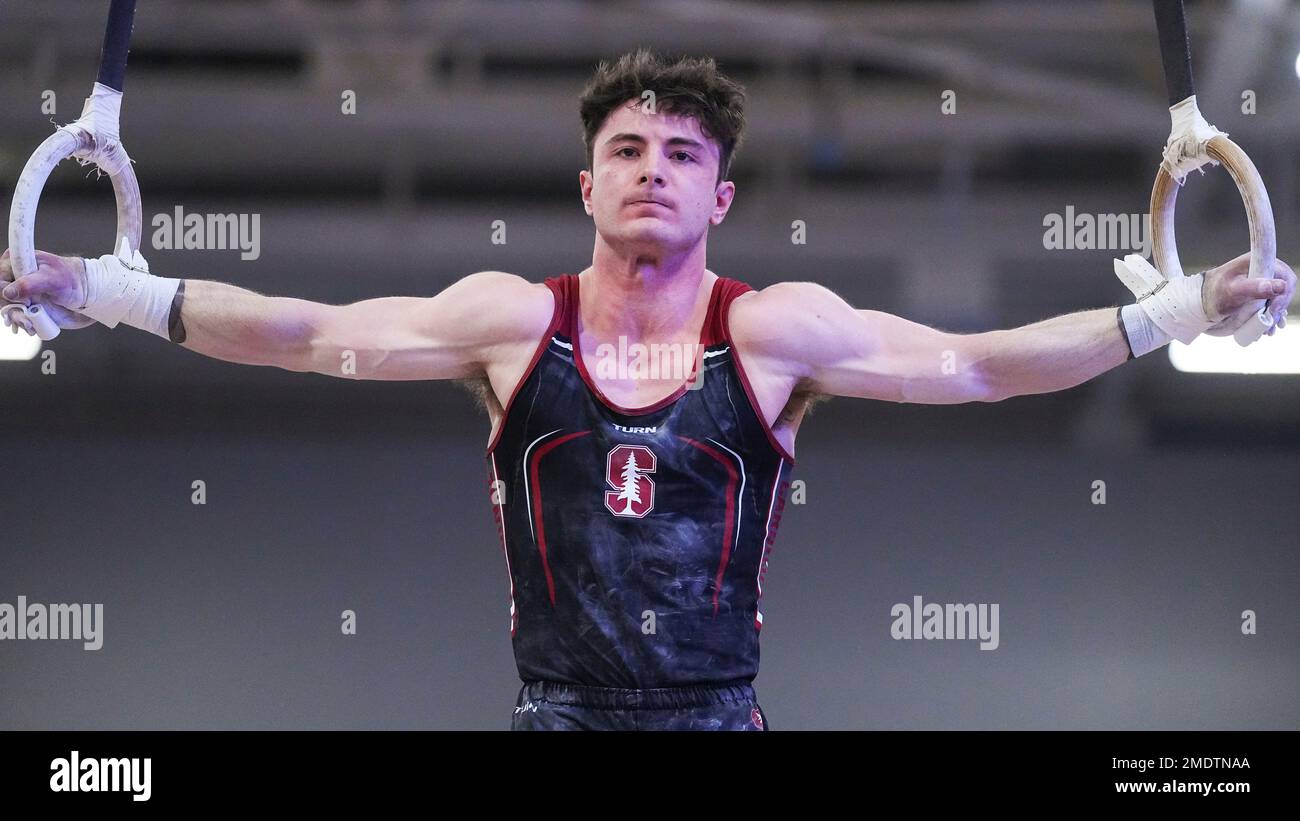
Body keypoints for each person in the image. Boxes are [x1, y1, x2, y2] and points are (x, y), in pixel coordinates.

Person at [1, 49, 1293, 731]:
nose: (652, 169)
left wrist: (1176, 309)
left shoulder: (776, 334)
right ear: (584, 185)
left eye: (682, 153)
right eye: (625, 149)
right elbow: (307, 332)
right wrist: (106, 290)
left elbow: (979, 364)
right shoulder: (512, 324)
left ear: (723, 197)